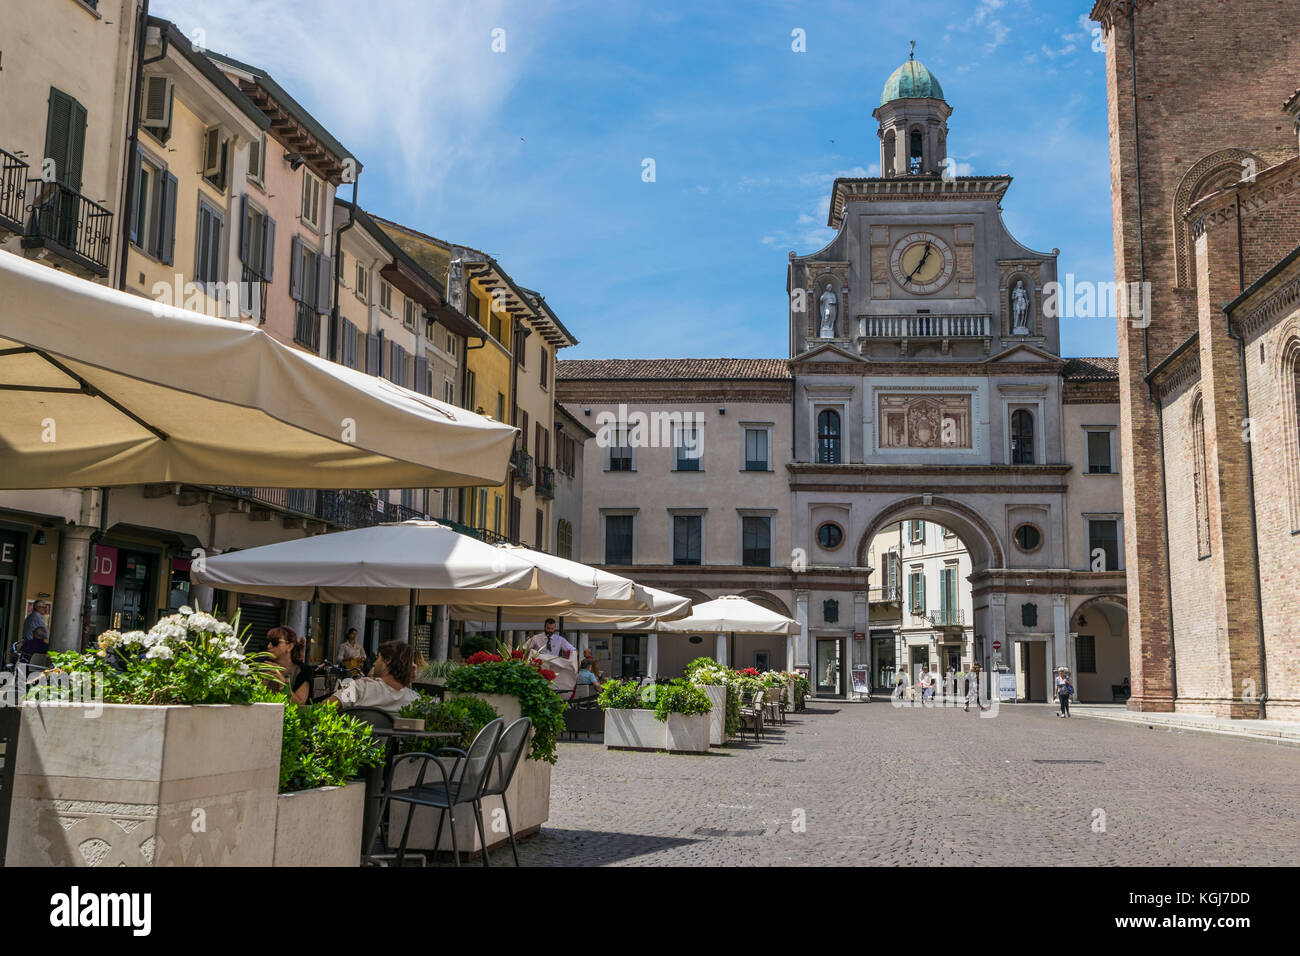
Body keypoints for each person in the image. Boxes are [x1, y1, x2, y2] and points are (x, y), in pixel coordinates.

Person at [326, 640, 418, 716]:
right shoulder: (414, 699)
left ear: (388, 660)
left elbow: (326, 707)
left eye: (378, 658)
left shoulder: (361, 687)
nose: (374, 663)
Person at [264, 626, 313, 704]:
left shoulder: (304, 671)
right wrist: (264, 681)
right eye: (268, 642)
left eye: (275, 642)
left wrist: (283, 683)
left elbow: (299, 704)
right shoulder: (261, 666)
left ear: (289, 646)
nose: (269, 646)